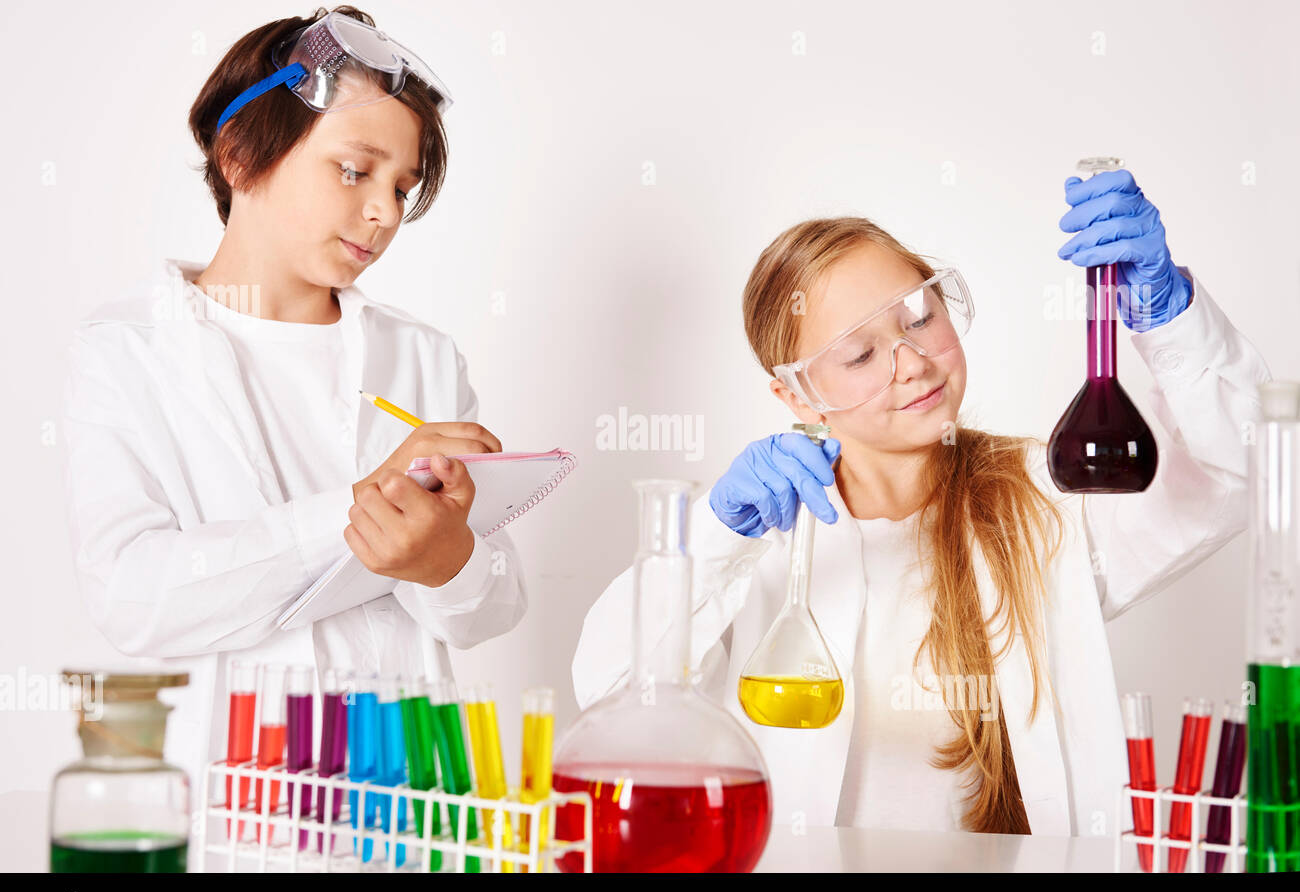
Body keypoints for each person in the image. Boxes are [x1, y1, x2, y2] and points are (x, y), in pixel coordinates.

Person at [572, 169, 1272, 836]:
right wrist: (718, 533)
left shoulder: (1044, 502)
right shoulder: (756, 539)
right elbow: (608, 692)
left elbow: (1235, 477)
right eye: (859, 355)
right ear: (794, 395)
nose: (911, 363)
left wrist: (1171, 318)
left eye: (918, 317)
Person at [61, 7, 527, 787]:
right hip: (227, 816)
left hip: (406, 818)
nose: (383, 212)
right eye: (354, 169)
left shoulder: (423, 359)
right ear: (241, 153)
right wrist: (359, 514)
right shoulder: (125, 351)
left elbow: (492, 607)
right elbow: (133, 596)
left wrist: (452, 565)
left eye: (402, 187)